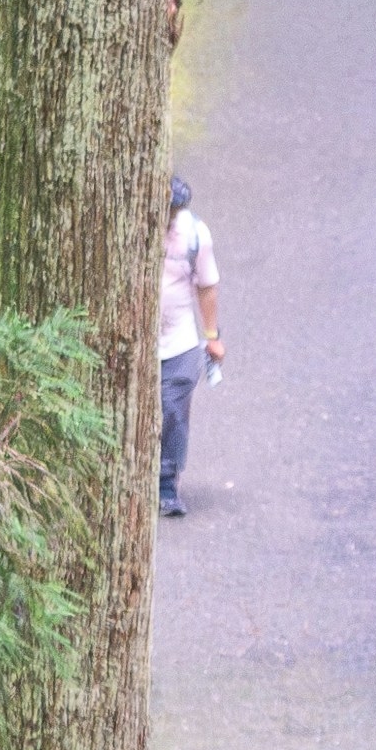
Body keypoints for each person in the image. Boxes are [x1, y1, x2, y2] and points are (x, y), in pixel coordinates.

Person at [155, 173, 222, 514]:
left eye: (172, 209)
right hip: (139, 343)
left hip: (179, 342)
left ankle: (166, 483)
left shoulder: (195, 234)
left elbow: (207, 286)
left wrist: (212, 337)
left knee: (173, 411)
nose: (167, 216)